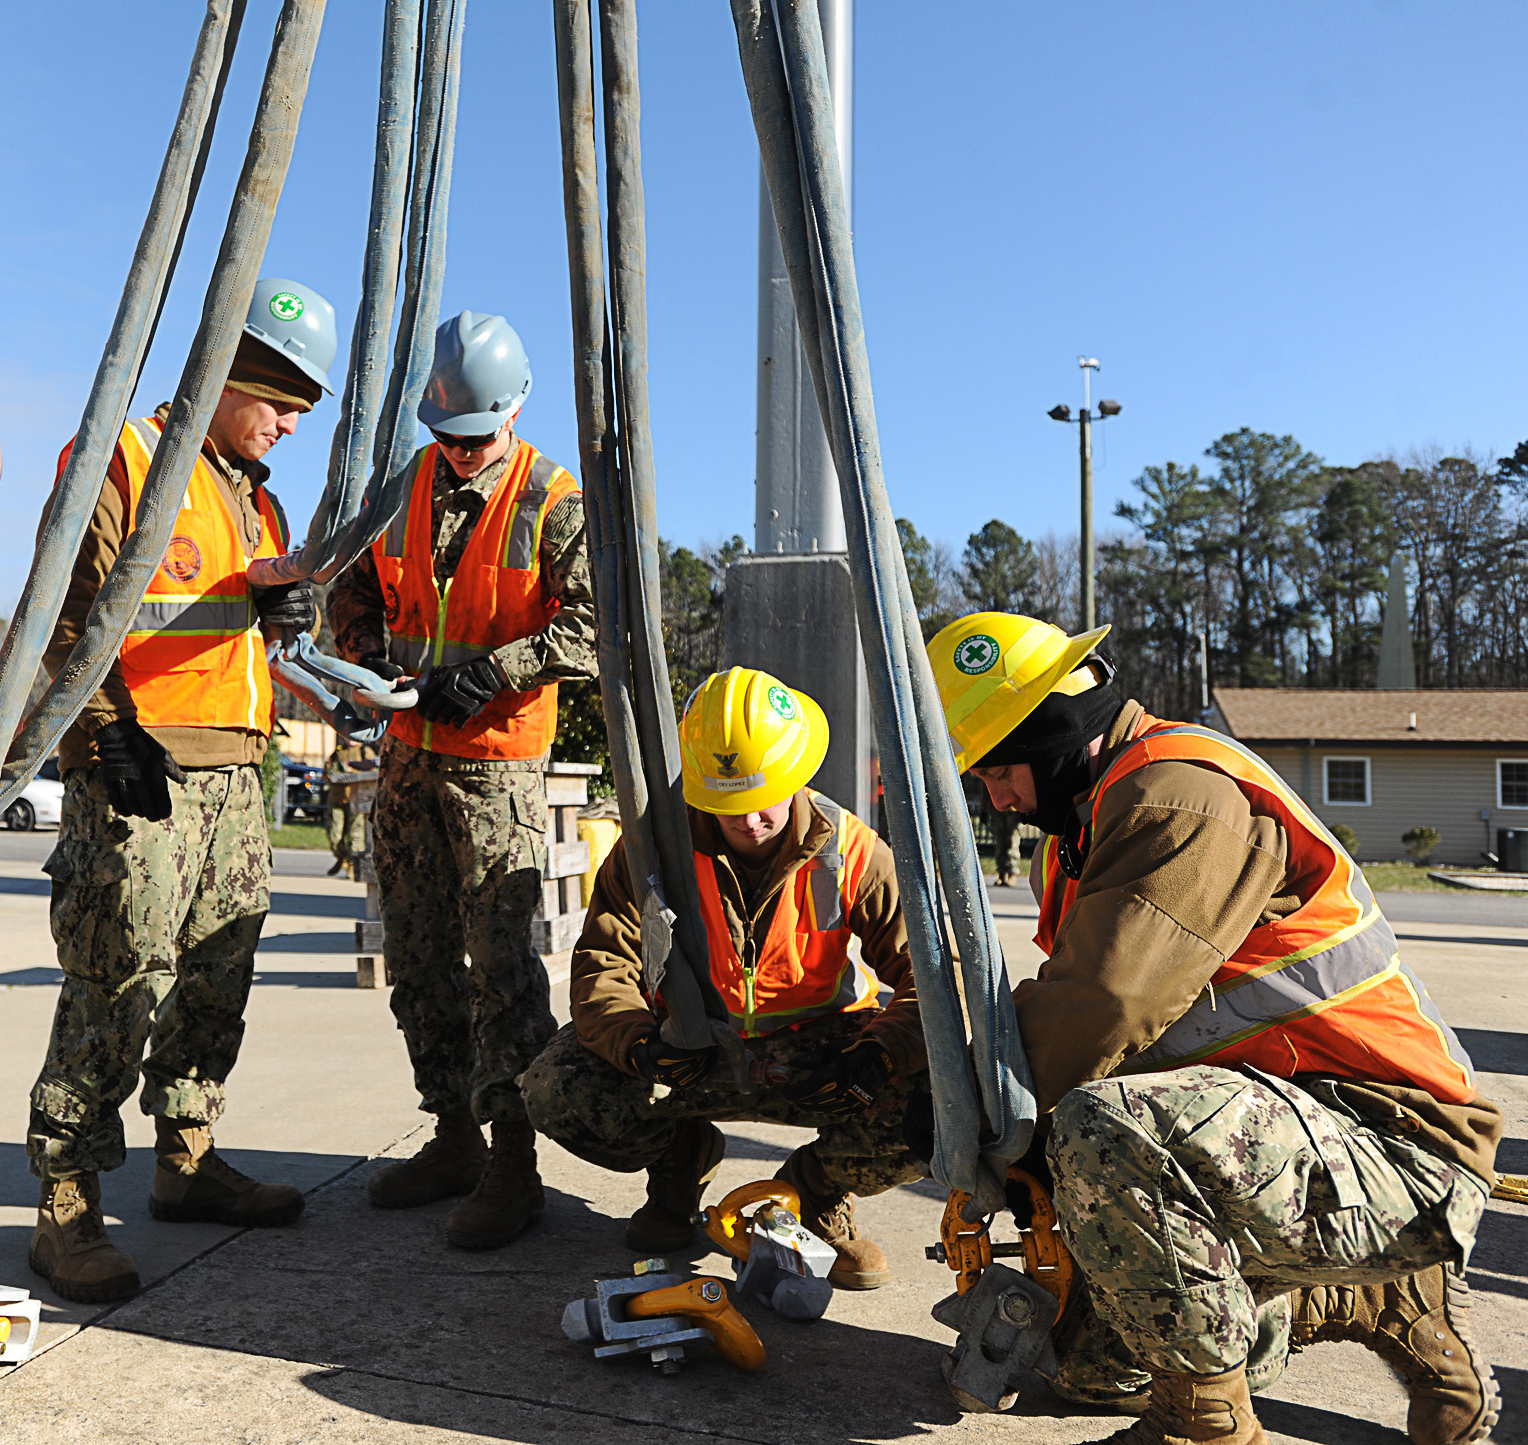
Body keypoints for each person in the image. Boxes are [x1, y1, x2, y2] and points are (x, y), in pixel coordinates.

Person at [926, 611, 1502, 1445]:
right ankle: (1367, 1297)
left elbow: (1101, 1013)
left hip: (1396, 1143)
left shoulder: (1177, 799)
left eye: (1002, 771)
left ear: (1059, 736)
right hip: (1283, 1131)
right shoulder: (1082, 834)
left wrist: (978, 1119)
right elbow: (1094, 1030)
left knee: (1099, 1130)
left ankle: (1202, 1423)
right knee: (1088, 1366)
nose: (999, 798)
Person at [22, 278, 338, 1305]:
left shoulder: (254, 494)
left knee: (217, 972)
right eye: (284, 402)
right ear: (239, 373)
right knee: (118, 976)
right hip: (144, 770)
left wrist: (290, 610)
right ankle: (65, 1198)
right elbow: (66, 617)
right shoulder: (123, 461)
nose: (292, 426)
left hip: (238, 771)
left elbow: (232, 627)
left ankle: (187, 1159)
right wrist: (107, 738)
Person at [523, 667, 931, 1283]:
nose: (749, 821)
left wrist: (879, 1056)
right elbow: (606, 960)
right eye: (728, 805)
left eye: (762, 798)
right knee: (556, 1089)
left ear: (799, 774)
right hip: (689, 1043)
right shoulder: (652, 845)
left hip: (821, 1052)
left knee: (943, 1107)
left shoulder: (853, 852)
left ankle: (815, 1193)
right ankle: (682, 1161)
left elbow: (932, 975)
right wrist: (638, 1044)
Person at [330, 310, 595, 1248]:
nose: (464, 454)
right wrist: (363, 665)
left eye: (478, 437)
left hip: (499, 770)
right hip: (407, 758)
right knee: (418, 957)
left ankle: (514, 1164)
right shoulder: (406, 484)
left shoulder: (552, 500)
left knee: (506, 972)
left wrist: (487, 675)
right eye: (449, 438)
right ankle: (452, 1135)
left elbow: (599, 629)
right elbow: (350, 587)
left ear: (514, 414)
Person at [322, 739, 375, 879]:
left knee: (355, 836)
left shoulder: (365, 752)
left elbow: (374, 770)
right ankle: (342, 857)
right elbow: (326, 773)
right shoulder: (337, 753)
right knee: (334, 835)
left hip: (357, 799)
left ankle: (352, 866)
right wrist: (335, 773)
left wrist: (354, 771)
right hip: (337, 799)